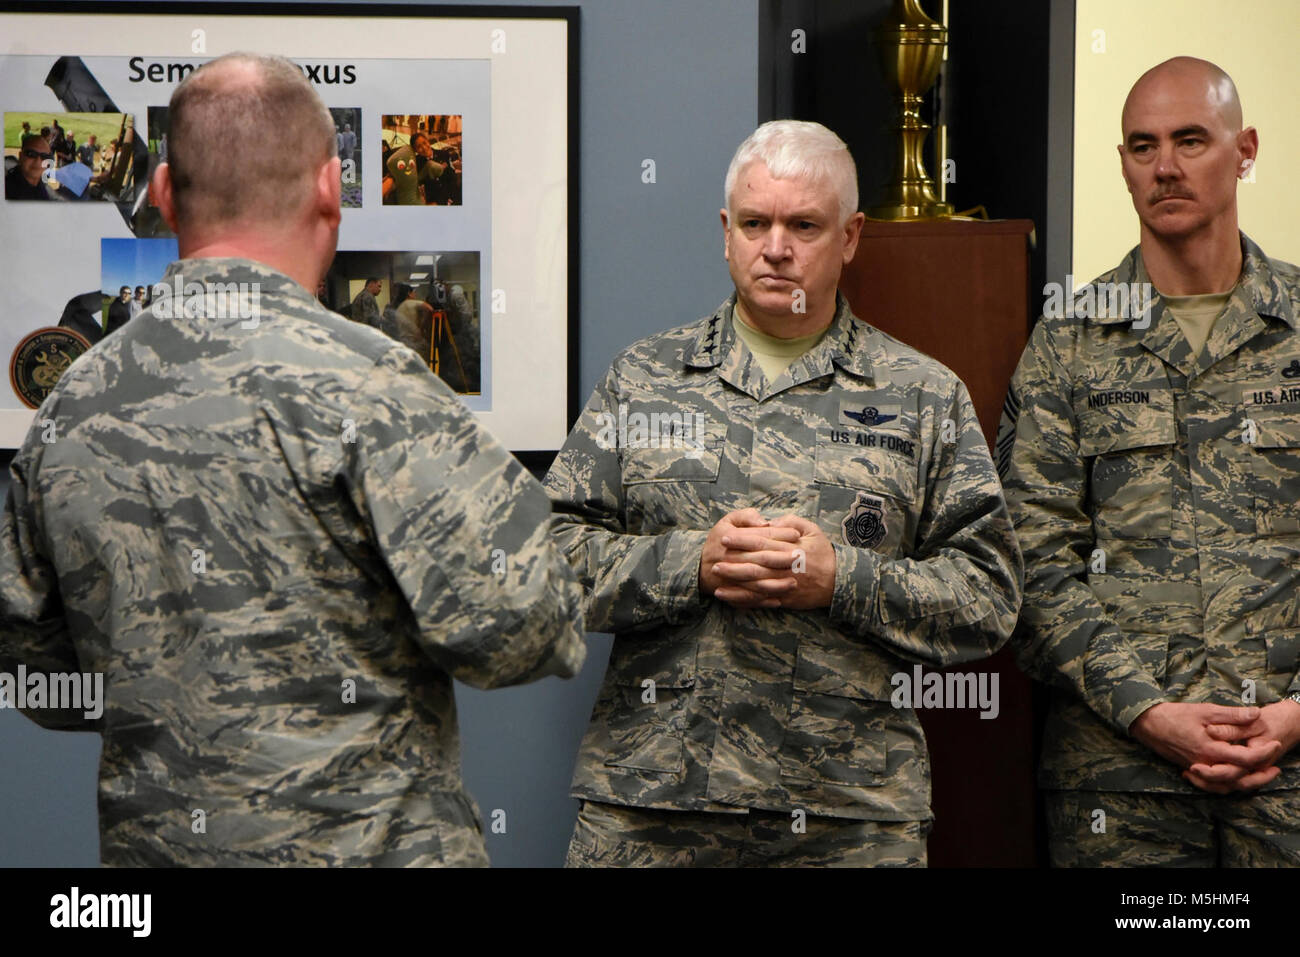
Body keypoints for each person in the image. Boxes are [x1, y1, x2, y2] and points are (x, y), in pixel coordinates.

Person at [0, 51, 586, 867]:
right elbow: (522, 627)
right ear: (328, 187)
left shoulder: (72, 402)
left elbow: (30, 661)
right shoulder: (379, 386)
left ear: (164, 194)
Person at [545, 120, 1022, 867]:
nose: (776, 247)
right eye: (755, 222)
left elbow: (989, 597)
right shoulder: (642, 380)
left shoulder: (924, 397)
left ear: (851, 235)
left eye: (804, 224)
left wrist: (845, 581)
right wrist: (691, 564)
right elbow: (545, 565)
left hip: (848, 816)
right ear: (725, 231)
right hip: (653, 808)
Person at [999, 56, 1300, 867]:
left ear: (1246, 150)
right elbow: (1030, 563)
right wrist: (1145, 710)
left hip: (1293, 774)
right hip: (1121, 783)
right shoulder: (1069, 341)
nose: (1164, 166)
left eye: (1191, 140)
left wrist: (1297, 712)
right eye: (1142, 146)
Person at [5, 133, 52, 200]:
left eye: (44, 156)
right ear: (20, 156)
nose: (38, 161)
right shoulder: (8, 192)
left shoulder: (39, 184)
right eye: (31, 154)